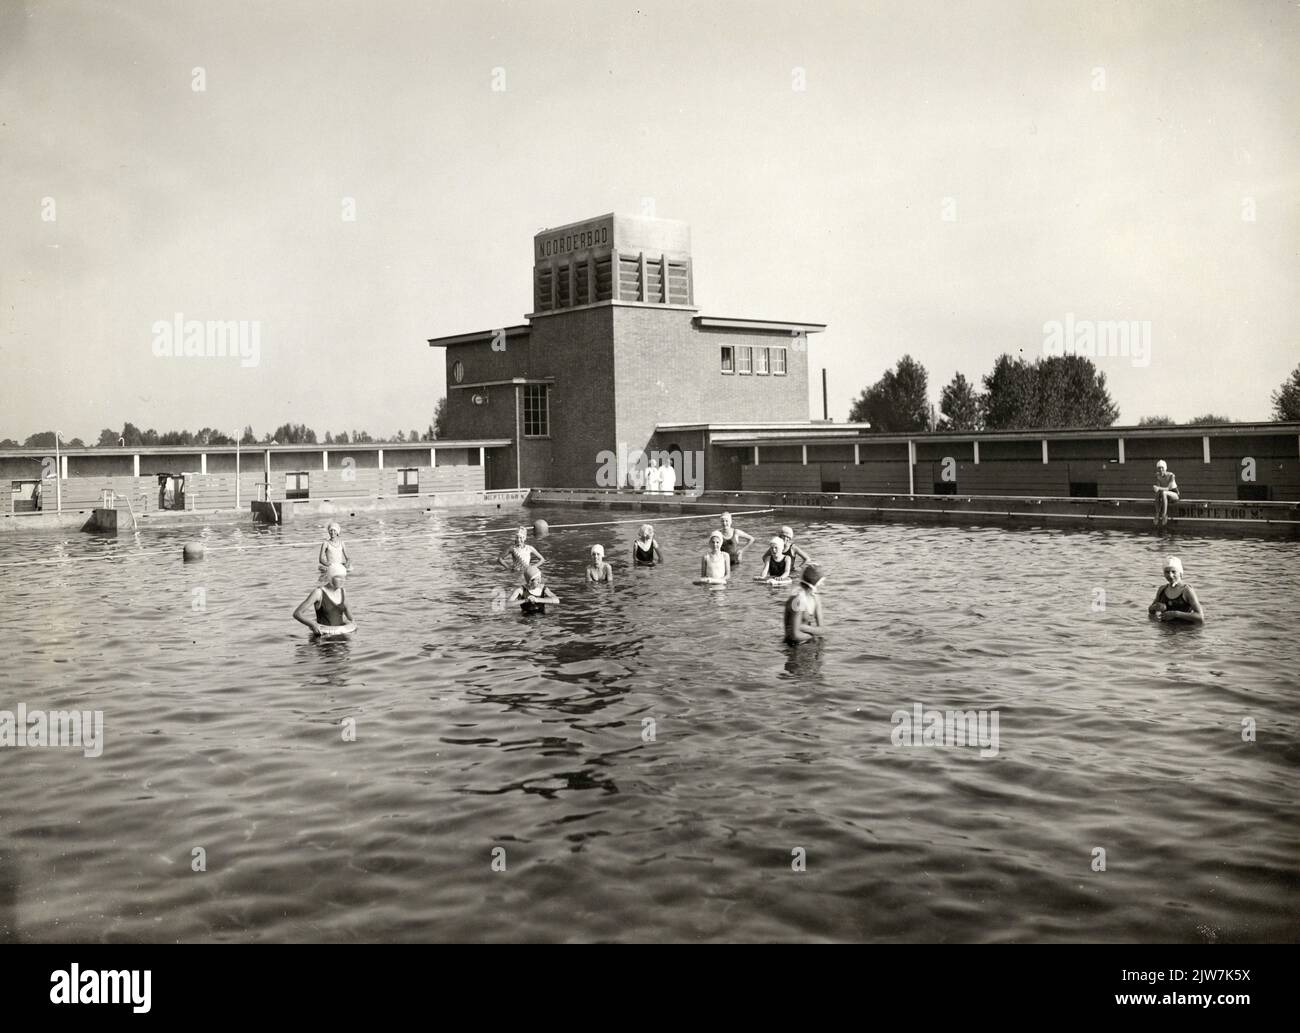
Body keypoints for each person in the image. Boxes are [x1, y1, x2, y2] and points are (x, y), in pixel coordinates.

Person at [294, 564, 354, 634]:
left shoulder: (343, 591)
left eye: (344, 577)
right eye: (339, 578)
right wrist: (313, 624)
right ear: (331, 577)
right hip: (323, 637)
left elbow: (347, 611)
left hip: (341, 635)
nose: (343, 580)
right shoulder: (318, 593)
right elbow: (297, 613)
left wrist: (353, 622)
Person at [1148, 556, 1205, 624]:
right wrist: (1155, 607)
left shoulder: (1186, 590)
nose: (1170, 575)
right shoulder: (1162, 589)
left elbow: (1200, 617)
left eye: (1173, 572)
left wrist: (1176, 614)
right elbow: (1151, 611)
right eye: (1167, 572)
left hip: (1184, 632)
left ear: (1180, 573)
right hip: (1165, 632)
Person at [784, 564, 827, 645]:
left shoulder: (815, 597)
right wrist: (813, 636)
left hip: (807, 643)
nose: (822, 585)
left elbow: (822, 629)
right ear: (814, 583)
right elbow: (795, 635)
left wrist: (804, 628)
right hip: (793, 647)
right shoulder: (797, 600)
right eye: (820, 582)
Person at [1153, 460, 1179, 526]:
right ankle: (1157, 514)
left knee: (1164, 492)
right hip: (1164, 496)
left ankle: (1164, 515)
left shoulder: (1171, 475)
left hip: (1174, 495)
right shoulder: (1157, 475)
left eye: (1162, 468)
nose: (1161, 469)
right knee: (1157, 493)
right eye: (1159, 468)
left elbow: (1168, 488)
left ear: (1165, 468)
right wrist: (1156, 488)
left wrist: (1158, 488)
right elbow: (1158, 488)